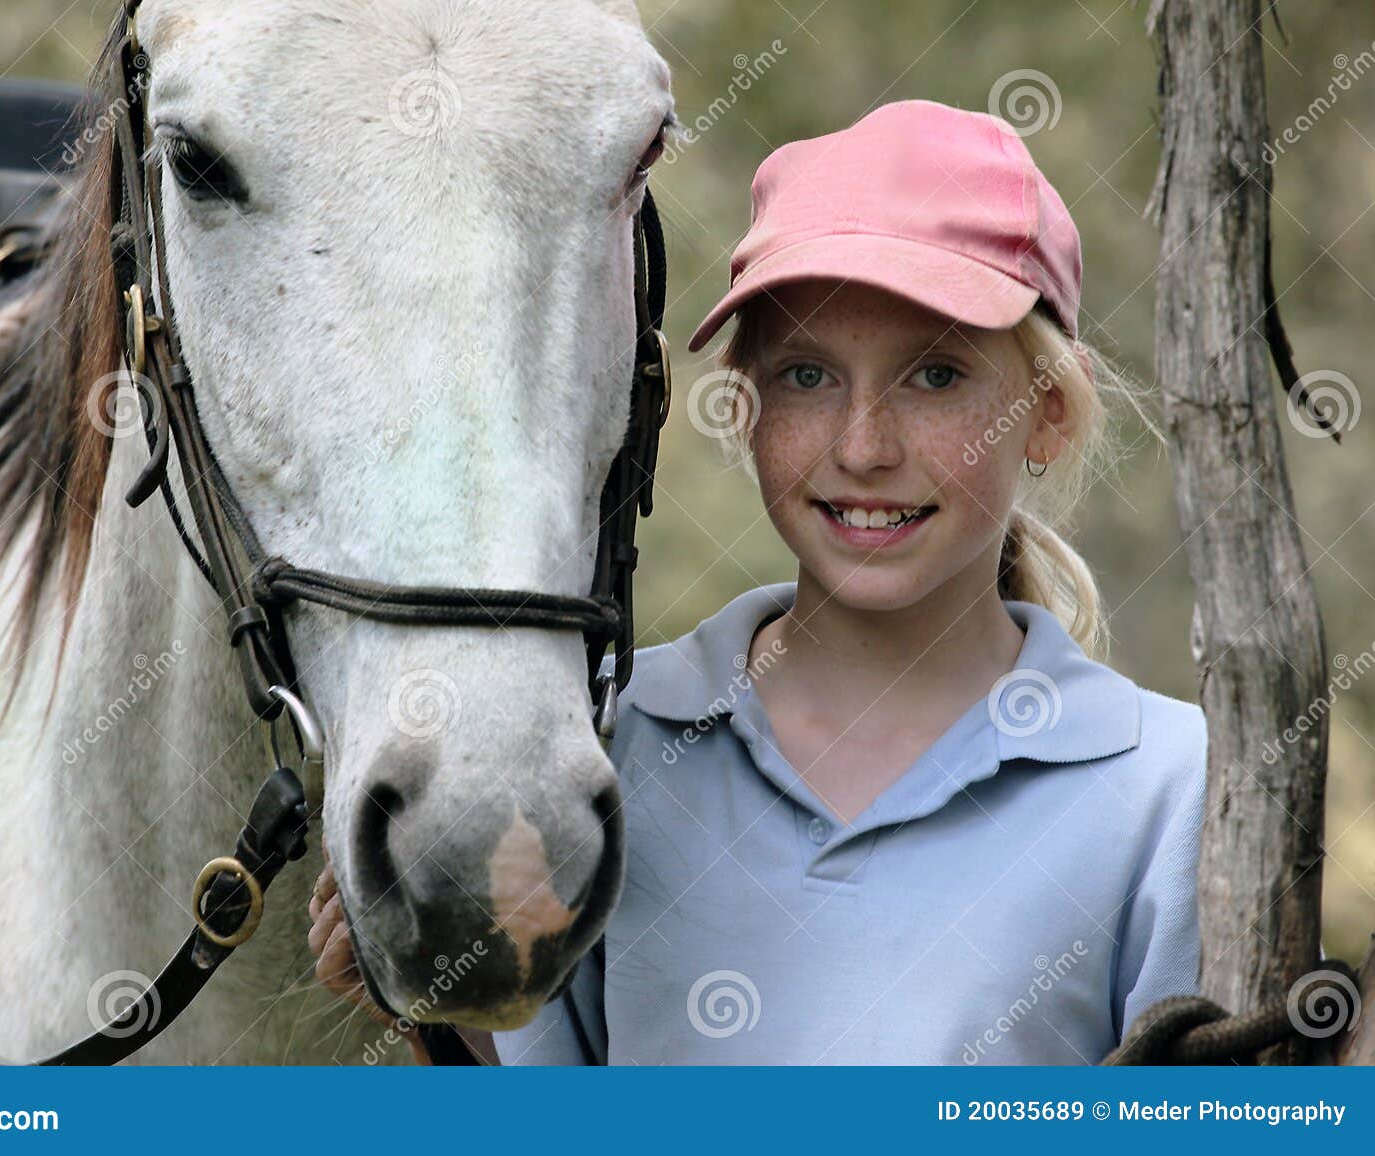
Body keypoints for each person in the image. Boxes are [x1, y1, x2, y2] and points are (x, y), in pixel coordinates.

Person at [310, 98, 1207, 1065]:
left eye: (936, 376)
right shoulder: (607, 752)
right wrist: (434, 1010)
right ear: (746, 408)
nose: (864, 448)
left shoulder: (1171, 788)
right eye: (808, 377)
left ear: (1047, 415)